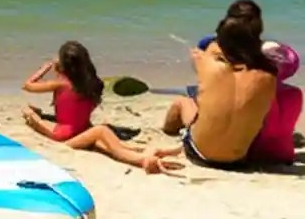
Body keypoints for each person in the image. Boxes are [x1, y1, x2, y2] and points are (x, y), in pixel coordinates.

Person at [22, 41, 181, 173]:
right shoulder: (92, 85)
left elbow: (28, 85)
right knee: (106, 139)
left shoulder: (61, 83)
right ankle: (143, 155)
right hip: (82, 131)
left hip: (65, 137)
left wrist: (45, 68)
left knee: (105, 137)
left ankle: (143, 159)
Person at [162, 16, 278, 169]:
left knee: (182, 102)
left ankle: (168, 130)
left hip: (199, 154)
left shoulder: (208, 59)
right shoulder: (269, 76)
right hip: (239, 159)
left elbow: (202, 56)